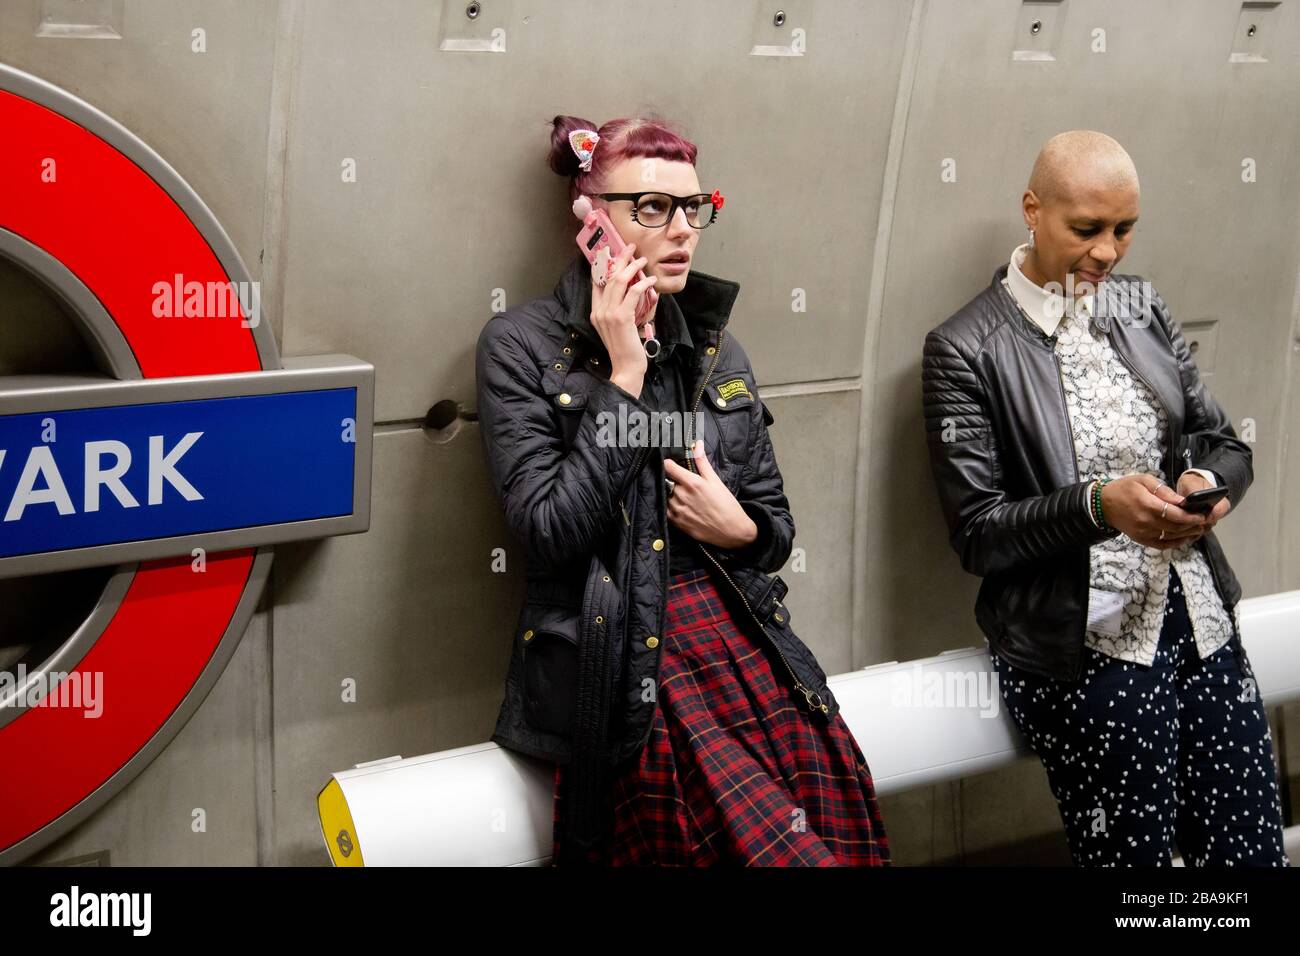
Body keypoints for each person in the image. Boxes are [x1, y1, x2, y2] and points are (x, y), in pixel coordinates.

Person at [474, 113, 889, 865]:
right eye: (653, 209)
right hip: (632, 660)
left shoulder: (714, 348)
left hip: (746, 643)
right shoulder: (522, 346)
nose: (683, 231)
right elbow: (549, 531)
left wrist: (741, 532)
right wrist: (624, 370)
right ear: (591, 221)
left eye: (694, 208)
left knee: (846, 845)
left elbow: (776, 527)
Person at [921, 130, 1288, 866]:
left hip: (1203, 625)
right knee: (1137, 870)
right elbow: (979, 534)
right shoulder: (964, 349)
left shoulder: (1140, 307)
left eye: (1124, 230)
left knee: (1250, 853)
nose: (1108, 253)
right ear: (1032, 209)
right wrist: (1097, 506)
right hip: (1083, 651)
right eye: (1086, 229)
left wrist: (1208, 487)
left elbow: (1224, 442)